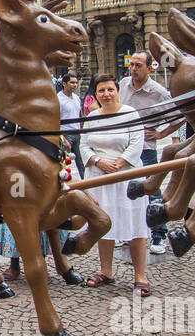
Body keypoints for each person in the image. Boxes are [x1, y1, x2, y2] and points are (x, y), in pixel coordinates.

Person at [80, 74, 153, 296]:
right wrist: (98, 161)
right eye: (101, 90)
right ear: (96, 94)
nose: (106, 94)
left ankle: (140, 275)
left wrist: (119, 163)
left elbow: (136, 143)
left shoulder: (130, 113)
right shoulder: (92, 116)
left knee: (134, 222)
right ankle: (106, 271)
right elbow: (83, 145)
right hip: (99, 176)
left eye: (110, 89)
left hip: (126, 176)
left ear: (117, 91)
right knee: (103, 222)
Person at [119, 51, 172, 254]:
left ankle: (159, 235)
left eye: (138, 65)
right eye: (132, 64)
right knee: (125, 190)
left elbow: (179, 116)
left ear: (149, 68)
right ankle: (126, 232)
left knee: (152, 190)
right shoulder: (123, 84)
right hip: (123, 147)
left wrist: (161, 133)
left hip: (145, 149)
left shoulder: (157, 91)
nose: (133, 69)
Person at [57, 72, 85, 176]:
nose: (75, 85)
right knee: (63, 164)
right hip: (65, 134)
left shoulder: (76, 97)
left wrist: (82, 128)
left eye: (76, 83)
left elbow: (79, 114)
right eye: (72, 82)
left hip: (77, 133)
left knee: (81, 162)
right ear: (64, 84)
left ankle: (86, 183)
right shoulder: (58, 99)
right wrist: (63, 139)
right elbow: (55, 120)